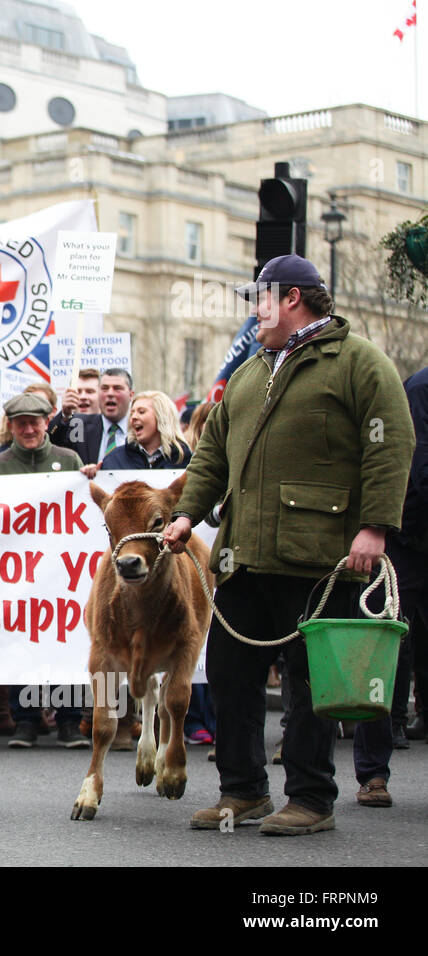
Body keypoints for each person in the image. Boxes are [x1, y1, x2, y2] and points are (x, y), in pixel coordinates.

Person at [164, 254, 413, 836]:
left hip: (319, 557)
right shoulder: (253, 371)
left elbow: (390, 442)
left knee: (308, 685)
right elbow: (212, 456)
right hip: (244, 555)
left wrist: (375, 527)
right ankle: (243, 791)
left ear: (292, 298)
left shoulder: (356, 361)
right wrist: (185, 514)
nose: (254, 310)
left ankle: (311, 800)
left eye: (260, 299)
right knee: (230, 675)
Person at [0, 392, 87, 747]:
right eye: (21, 423)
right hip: (17, 572)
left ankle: (69, 722)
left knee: (67, 640)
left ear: (46, 422)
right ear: (10, 426)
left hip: (62, 570)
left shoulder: (69, 460)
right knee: (22, 641)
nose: (28, 429)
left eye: (34, 422)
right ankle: (26, 719)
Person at [350, 363, 428, 805]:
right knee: (381, 654)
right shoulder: (419, 390)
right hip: (406, 543)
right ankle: (373, 772)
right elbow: (413, 472)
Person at [49, 367, 134, 465]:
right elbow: (51, 441)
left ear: (131, 395)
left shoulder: (139, 429)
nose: (110, 393)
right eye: (105, 388)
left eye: (117, 388)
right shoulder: (79, 426)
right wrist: (64, 416)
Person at [93, 391, 191, 474]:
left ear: (161, 417)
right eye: (132, 413)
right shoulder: (114, 459)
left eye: (141, 412)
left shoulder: (185, 459)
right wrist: (91, 474)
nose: (133, 417)